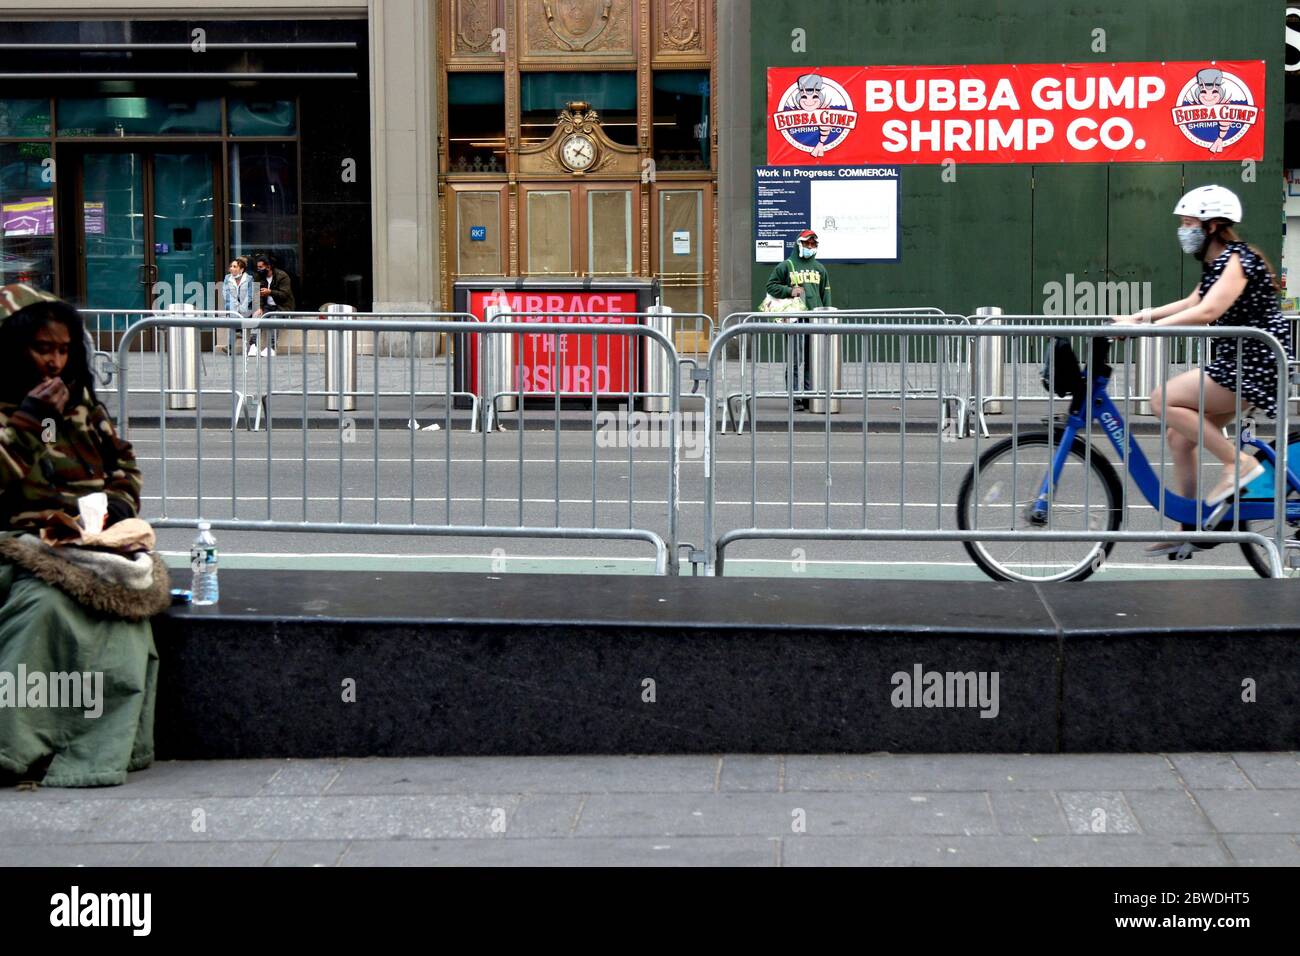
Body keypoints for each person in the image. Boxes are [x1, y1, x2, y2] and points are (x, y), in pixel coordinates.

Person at [0, 284, 168, 787]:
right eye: (42, 348)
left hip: (88, 545)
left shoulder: (82, 404)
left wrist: (116, 509)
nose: (54, 362)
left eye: (63, 349)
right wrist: (30, 420)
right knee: (48, 611)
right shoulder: (14, 408)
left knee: (125, 618)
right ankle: (17, 748)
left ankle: (95, 747)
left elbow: (123, 463)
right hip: (17, 547)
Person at [1113, 185, 1294, 555]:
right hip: (1240, 363)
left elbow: (1207, 312)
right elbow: (1194, 300)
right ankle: (1190, 525)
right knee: (1180, 438)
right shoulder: (1220, 262)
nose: (1183, 230)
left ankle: (1241, 464)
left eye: (1188, 222)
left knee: (1162, 399)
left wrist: (1142, 331)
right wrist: (1138, 317)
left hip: (1254, 365)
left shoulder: (1239, 260)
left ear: (1211, 226)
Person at [766, 228, 833, 410]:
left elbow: (825, 296)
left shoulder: (820, 269)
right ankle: (794, 396)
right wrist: (789, 290)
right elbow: (771, 286)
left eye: (813, 244)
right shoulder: (786, 265)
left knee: (813, 360)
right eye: (807, 243)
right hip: (795, 320)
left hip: (815, 320)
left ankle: (808, 395)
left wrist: (827, 318)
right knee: (795, 359)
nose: (810, 246)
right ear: (798, 244)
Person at [251, 253, 295, 354]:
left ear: (268, 266)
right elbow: (256, 295)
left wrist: (270, 292)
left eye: (261, 267)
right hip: (267, 307)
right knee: (256, 317)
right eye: (257, 267)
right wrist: (259, 307)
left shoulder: (282, 276)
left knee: (273, 320)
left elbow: (285, 295)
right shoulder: (258, 277)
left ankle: (271, 348)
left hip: (282, 307)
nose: (259, 269)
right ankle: (253, 345)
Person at [218, 256, 253, 354]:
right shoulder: (227, 278)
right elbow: (225, 293)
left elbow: (250, 295)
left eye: (234, 266)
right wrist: (235, 305)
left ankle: (246, 348)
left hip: (245, 308)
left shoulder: (249, 279)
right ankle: (230, 347)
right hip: (232, 307)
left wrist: (242, 307)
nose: (231, 268)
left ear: (241, 269)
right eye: (231, 266)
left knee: (243, 325)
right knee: (232, 325)